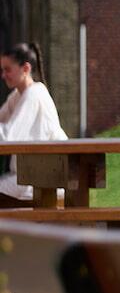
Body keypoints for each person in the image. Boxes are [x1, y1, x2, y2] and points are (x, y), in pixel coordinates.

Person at [0, 42, 68, 205]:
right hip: (31, 178)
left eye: (8, 69)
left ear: (25, 69)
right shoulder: (18, 96)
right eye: (2, 70)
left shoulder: (34, 95)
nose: (3, 75)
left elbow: (8, 137)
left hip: (45, 181)